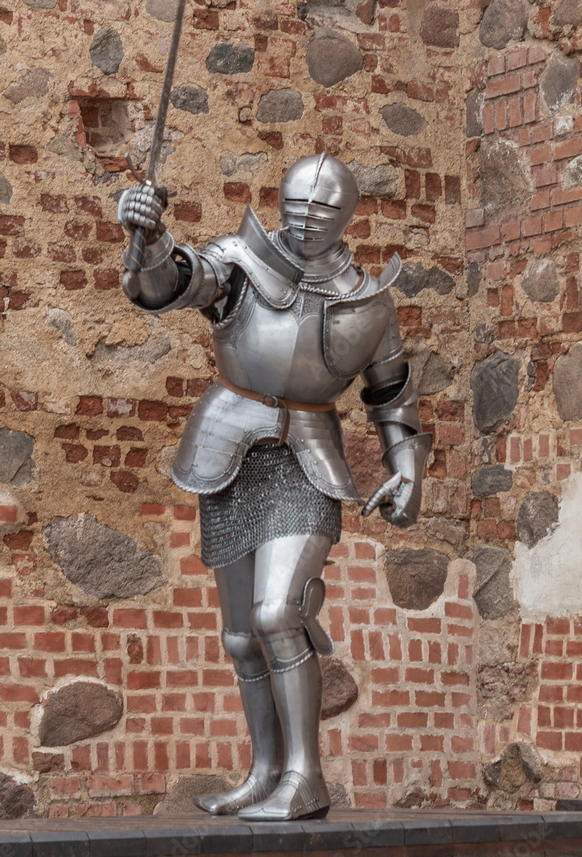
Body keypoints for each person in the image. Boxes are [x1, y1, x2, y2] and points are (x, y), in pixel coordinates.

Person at [117, 152, 431, 821]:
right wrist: (149, 240)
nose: (305, 219)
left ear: (346, 215)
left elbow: (392, 393)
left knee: (277, 615)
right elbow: (175, 284)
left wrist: (406, 467)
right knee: (240, 636)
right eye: (294, 207)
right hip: (225, 443)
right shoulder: (240, 262)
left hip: (309, 456)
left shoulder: (369, 303)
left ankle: (303, 777)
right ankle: (262, 772)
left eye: (320, 210)